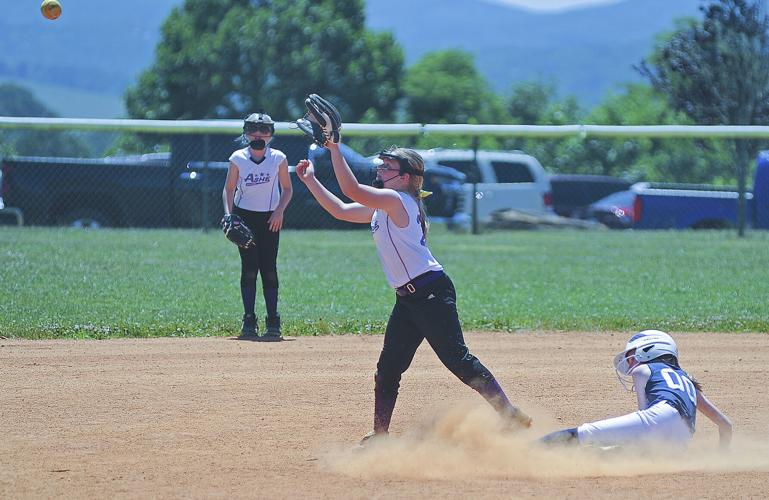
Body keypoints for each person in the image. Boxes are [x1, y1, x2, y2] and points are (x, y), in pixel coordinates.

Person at [295, 138, 532, 445]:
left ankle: (508, 414)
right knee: (388, 369)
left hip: (431, 292)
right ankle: (380, 435)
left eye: (388, 167)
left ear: (405, 177)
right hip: (407, 299)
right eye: (382, 165)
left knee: (458, 360)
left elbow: (352, 190)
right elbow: (340, 210)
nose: (380, 170)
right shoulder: (383, 207)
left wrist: (335, 149)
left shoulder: (399, 201)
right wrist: (310, 180)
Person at [540, 330, 732, 451]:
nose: (630, 362)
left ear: (649, 350)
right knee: (609, 452)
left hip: (659, 419)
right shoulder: (688, 382)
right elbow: (726, 425)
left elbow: (645, 419)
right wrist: (722, 456)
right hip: (680, 442)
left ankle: (529, 451)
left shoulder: (643, 370)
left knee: (586, 434)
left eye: (632, 356)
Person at [222, 112, 292, 340]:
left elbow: (287, 189)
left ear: (271, 134)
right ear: (245, 133)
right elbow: (229, 189)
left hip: (270, 219)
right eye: (253, 129)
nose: (258, 134)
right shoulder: (238, 158)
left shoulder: (278, 158)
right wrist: (230, 216)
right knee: (249, 268)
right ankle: (249, 320)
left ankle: (273, 321)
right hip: (245, 218)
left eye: (264, 130)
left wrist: (279, 211)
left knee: (269, 269)